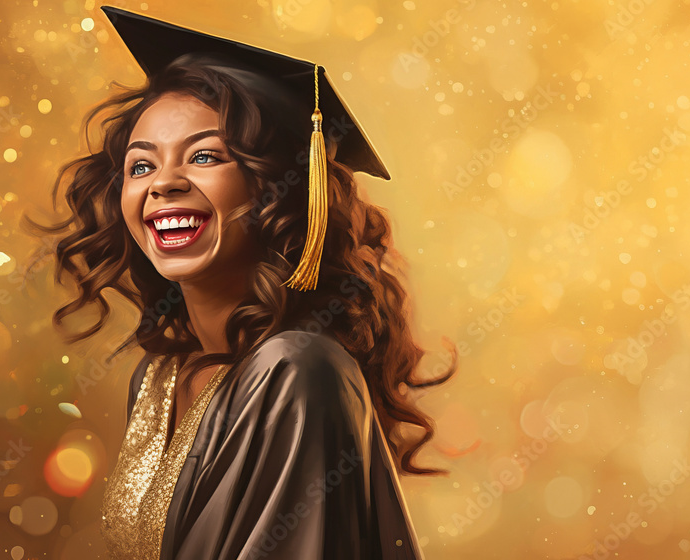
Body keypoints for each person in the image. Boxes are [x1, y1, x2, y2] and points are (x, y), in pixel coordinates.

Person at [34, 6, 457, 559]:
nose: (163, 183)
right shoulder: (160, 377)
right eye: (141, 166)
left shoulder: (298, 372)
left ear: (275, 189)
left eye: (204, 156)